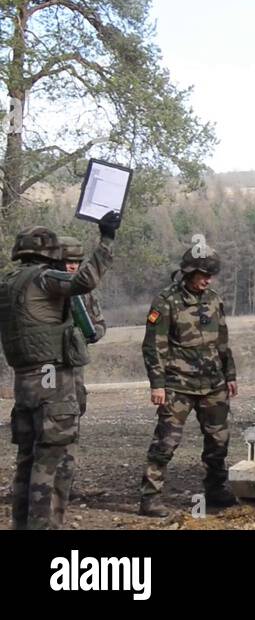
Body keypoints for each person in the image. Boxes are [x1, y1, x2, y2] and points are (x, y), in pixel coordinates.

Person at [0, 213, 119, 529]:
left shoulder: (9, 282)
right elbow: (85, 280)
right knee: (51, 461)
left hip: (25, 383)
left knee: (27, 461)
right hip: (53, 384)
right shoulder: (43, 277)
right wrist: (106, 238)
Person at [138, 245, 238, 517]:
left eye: (211, 275)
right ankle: (150, 497)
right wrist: (157, 384)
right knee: (165, 443)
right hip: (178, 385)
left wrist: (230, 375)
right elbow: (153, 346)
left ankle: (215, 490)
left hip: (213, 384)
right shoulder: (166, 301)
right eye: (204, 274)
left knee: (219, 442)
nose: (208, 280)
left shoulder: (214, 299)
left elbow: (223, 341)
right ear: (189, 272)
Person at [60, 236, 107, 416]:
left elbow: (100, 323)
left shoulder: (85, 293)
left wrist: (94, 333)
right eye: (68, 262)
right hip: (51, 357)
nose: (72, 266)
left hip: (76, 355)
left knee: (77, 400)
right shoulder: (46, 289)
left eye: (76, 262)